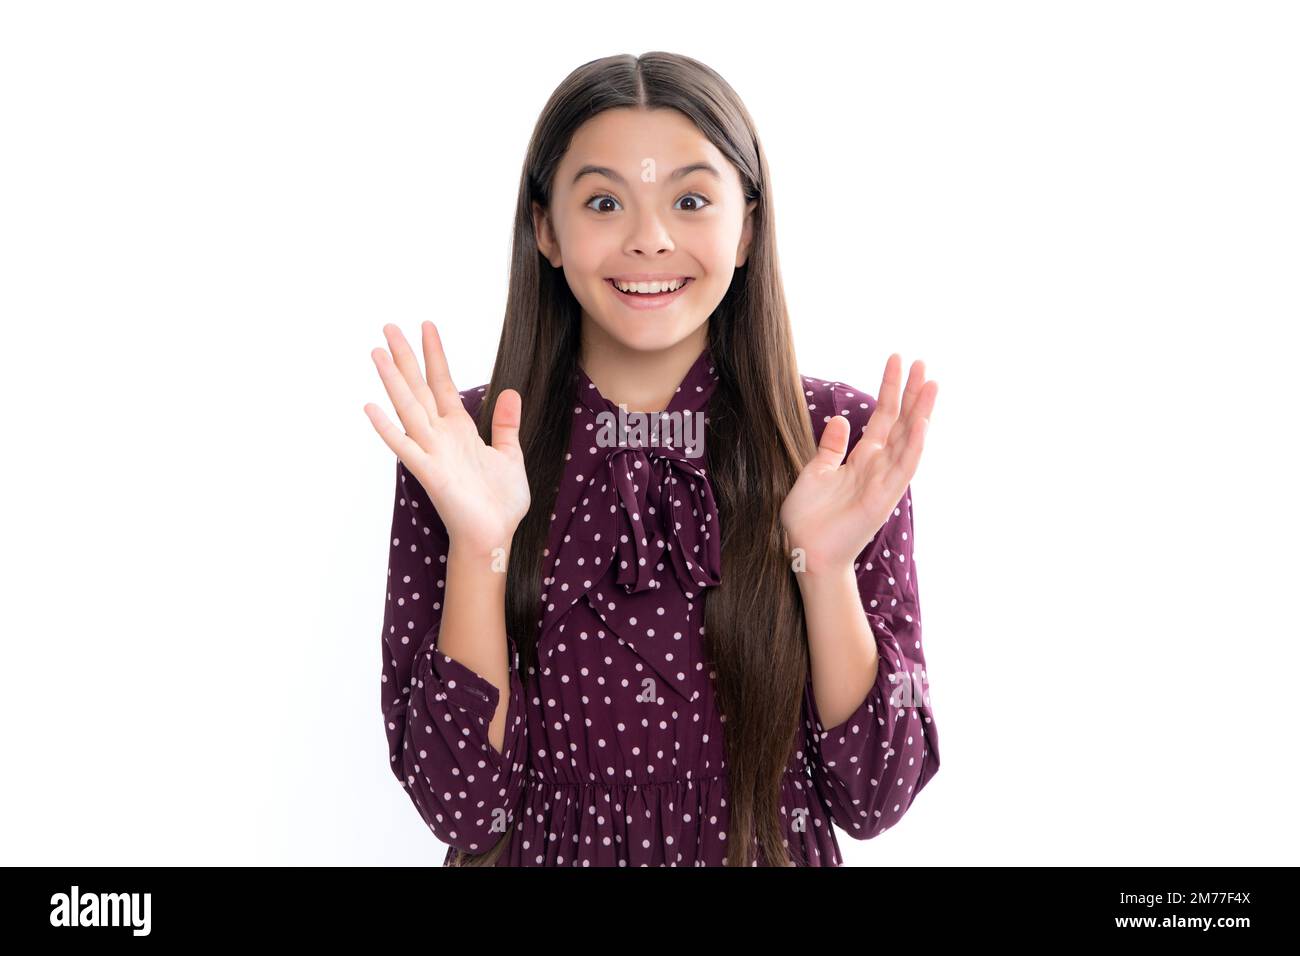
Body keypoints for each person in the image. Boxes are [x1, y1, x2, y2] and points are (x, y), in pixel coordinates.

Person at [363, 51, 940, 867]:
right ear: (545, 230)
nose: (649, 239)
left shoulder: (837, 440)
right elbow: (460, 800)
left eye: (691, 200)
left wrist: (825, 567)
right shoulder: (465, 445)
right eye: (604, 201)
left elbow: (876, 793)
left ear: (746, 227)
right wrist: (482, 546)